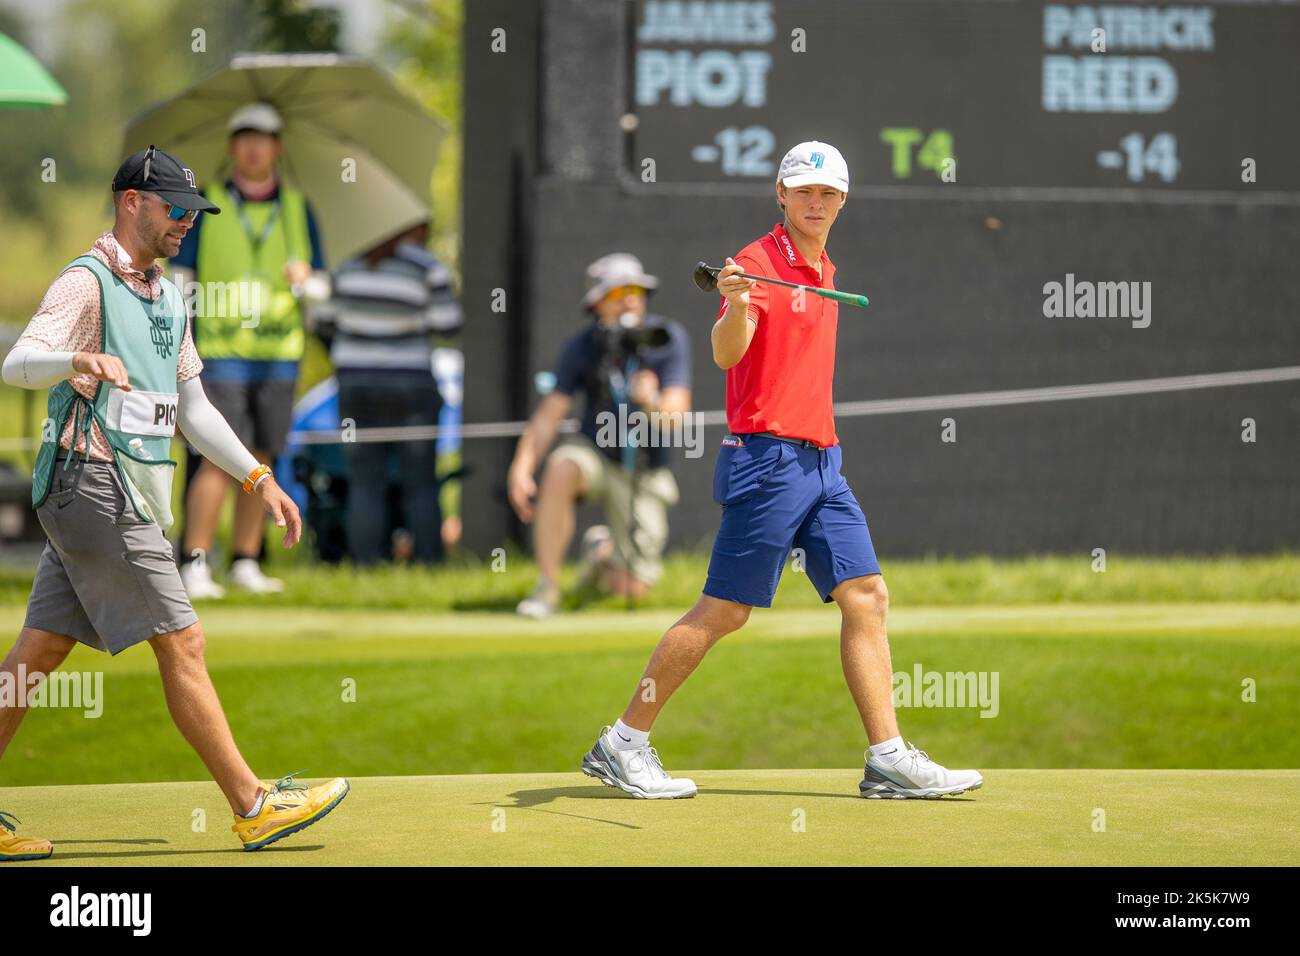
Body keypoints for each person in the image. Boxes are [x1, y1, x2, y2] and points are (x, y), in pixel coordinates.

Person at [580, 142, 984, 800]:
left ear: (842, 200)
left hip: (824, 462)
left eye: (827, 193)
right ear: (781, 194)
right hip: (767, 460)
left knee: (866, 595)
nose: (815, 202)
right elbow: (724, 354)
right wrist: (738, 304)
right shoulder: (756, 265)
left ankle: (887, 758)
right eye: (804, 191)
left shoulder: (825, 268)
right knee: (726, 610)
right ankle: (622, 744)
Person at [0, 146, 347, 860]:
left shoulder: (166, 294)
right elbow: (17, 363)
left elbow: (191, 405)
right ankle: (252, 806)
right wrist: (76, 361)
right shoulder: (86, 282)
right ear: (132, 201)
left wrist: (258, 478)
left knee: (36, 655)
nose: (188, 221)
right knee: (183, 640)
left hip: (108, 493)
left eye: (194, 211)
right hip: (94, 484)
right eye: (176, 208)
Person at [171, 101, 327, 598]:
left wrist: (309, 283)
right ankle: (194, 560)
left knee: (260, 458)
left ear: (277, 147)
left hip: (280, 350)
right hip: (219, 348)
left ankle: (245, 559)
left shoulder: (299, 208)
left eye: (262, 137)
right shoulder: (207, 201)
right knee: (219, 457)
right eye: (243, 136)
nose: (253, 146)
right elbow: (183, 275)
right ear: (233, 146)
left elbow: (323, 285)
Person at [508, 254, 691, 618]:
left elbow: (676, 420)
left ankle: (600, 555)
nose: (630, 299)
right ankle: (547, 587)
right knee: (562, 466)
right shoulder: (582, 346)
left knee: (632, 587)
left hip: (644, 469)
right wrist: (522, 467)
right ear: (596, 303)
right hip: (594, 453)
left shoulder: (667, 339)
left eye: (637, 289)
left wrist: (651, 401)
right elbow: (549, 415)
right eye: (619, 291)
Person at [308, 221, 464, 564]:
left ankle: (366, 565)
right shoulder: (426, 267)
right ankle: (428, 563)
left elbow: (321, 320)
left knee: (364, 482)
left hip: (356, 385)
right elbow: (450, 323)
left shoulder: (344, 268)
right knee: (421, 481)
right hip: (412, 384)